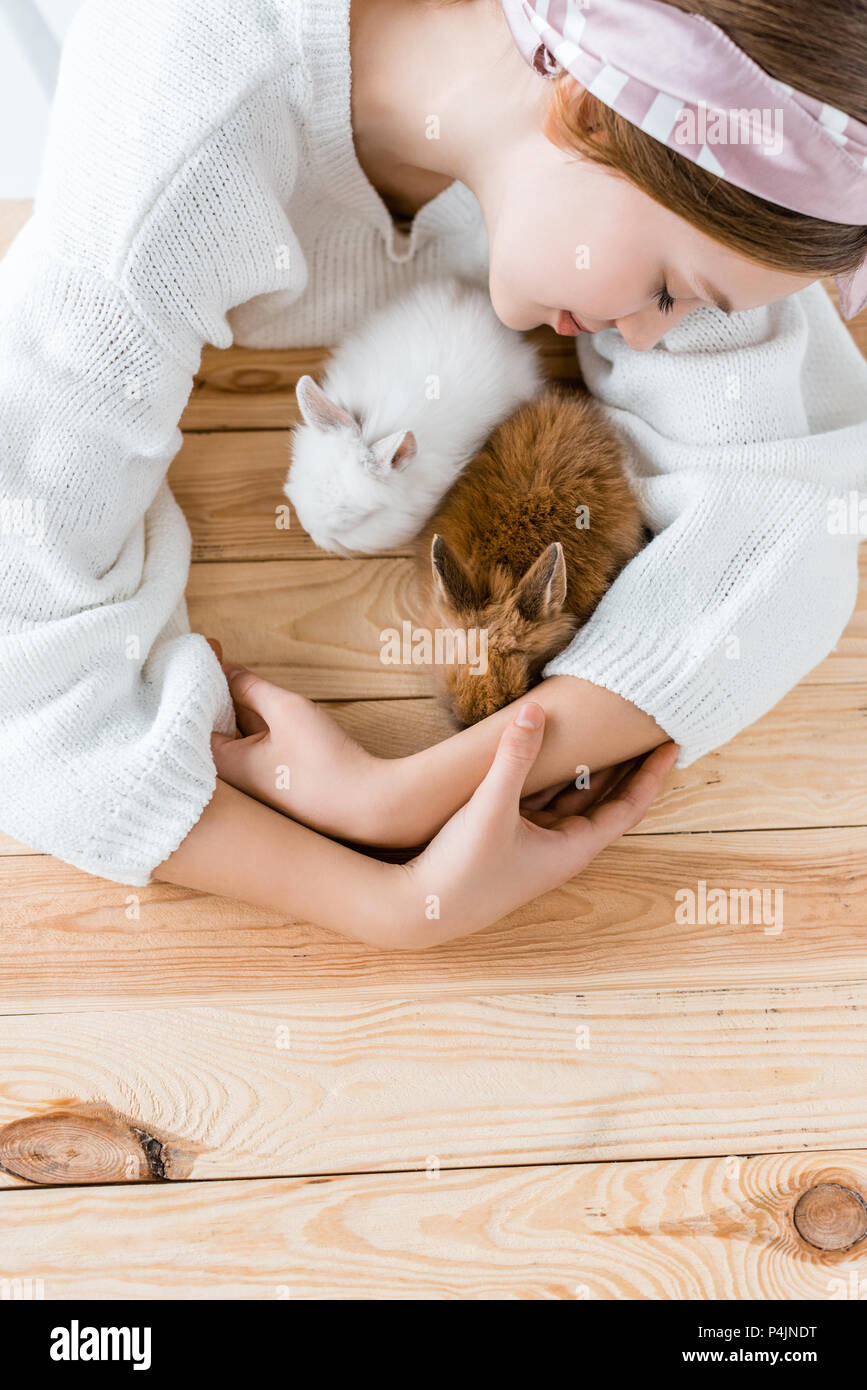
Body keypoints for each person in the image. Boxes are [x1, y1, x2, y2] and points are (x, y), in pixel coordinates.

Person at [0, 0, 864, 948]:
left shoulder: (687, 139)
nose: (660, 330)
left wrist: (403, 797)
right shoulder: (172, 147)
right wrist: (381, 903)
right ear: (585, 109)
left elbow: (795, 520)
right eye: (666, 289)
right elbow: (18, 658)